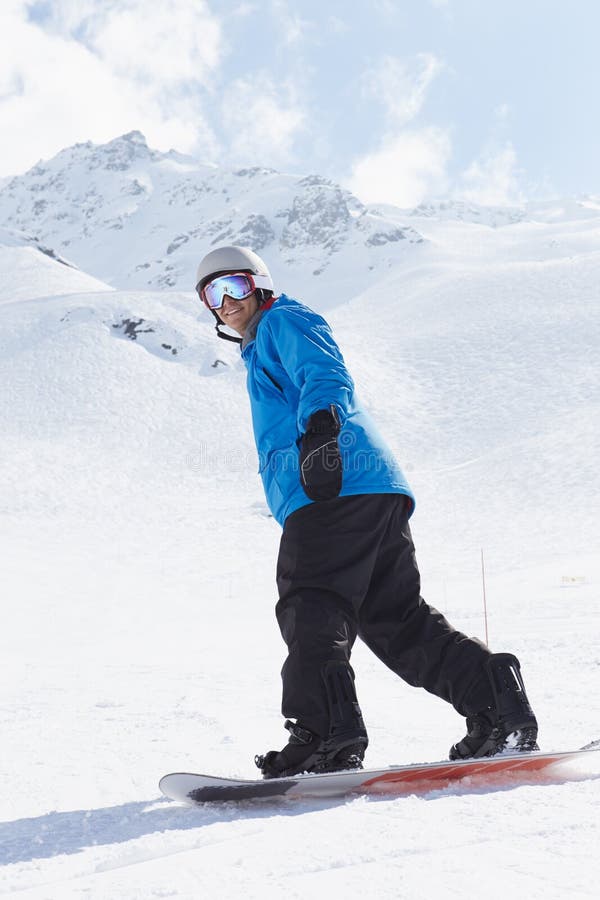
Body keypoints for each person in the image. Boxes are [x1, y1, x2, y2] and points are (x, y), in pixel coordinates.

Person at [195, 245, 539, 779]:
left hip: (333, 486)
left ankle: (324, 734)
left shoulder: (285, 319)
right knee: (396, 620)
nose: (225, 302)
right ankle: (497, 707)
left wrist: (320, 434)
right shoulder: (260, 343)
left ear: (259, 285)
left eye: (234, 286)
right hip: (369, 489)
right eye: (211, 294)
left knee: (312, 602)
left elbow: (325, 373)